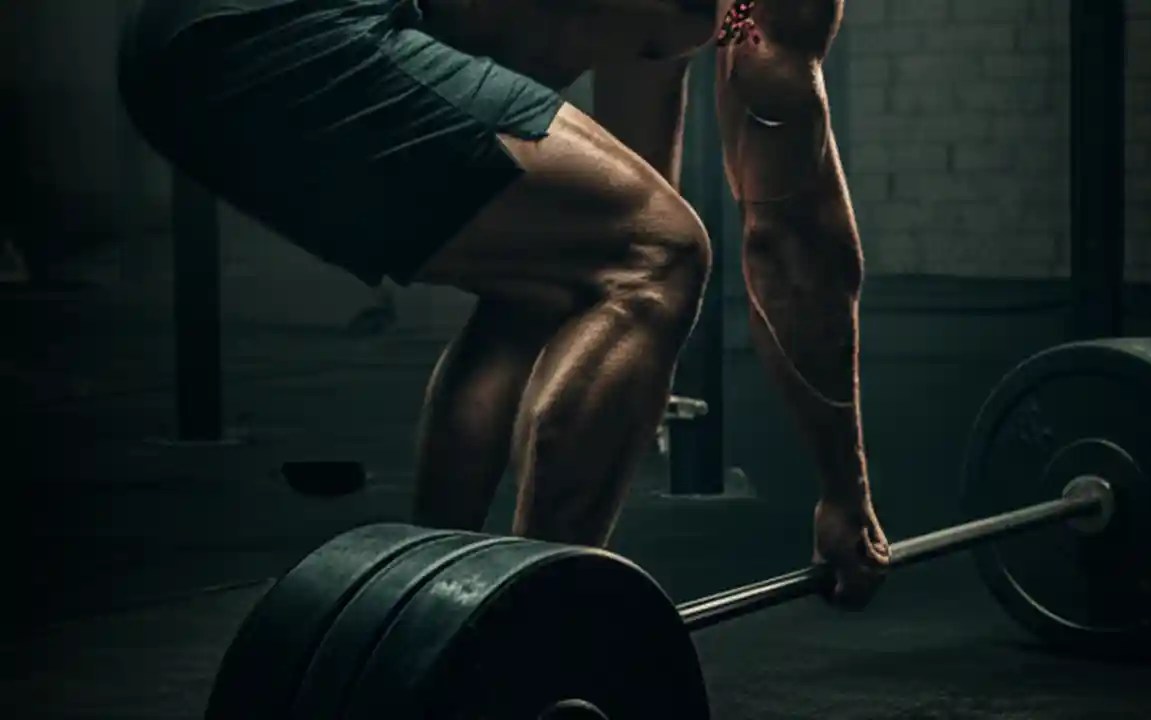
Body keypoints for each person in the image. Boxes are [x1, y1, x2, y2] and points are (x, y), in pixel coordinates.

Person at [117, 0, 889, 606]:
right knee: (665, 255)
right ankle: (543, 634)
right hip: (286, 28)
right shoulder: (763, 12)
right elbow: (794, 244)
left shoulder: (696, 17)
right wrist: (845, 494)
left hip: (180, 48)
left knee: (566, 277)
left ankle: (427, 618)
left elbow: (626, 188)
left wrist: (630, 347)